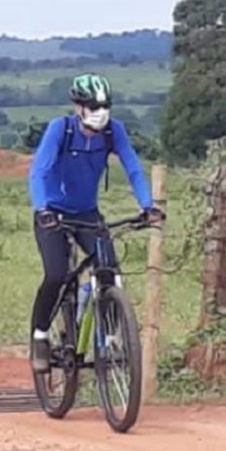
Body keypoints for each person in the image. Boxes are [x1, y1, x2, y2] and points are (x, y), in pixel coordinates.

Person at [27, 73, 164, 373]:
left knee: (109, 272)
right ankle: (39, 336)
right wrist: (41, 209)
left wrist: (147, 206)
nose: (97, 116)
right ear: (78, 108)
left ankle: (113, 337)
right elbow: (39, 172)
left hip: (88, 214)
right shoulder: (59, 130)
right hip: (53, 215)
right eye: (91, 108)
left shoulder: (114, 132)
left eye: (103, 106)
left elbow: (133, 169)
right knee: (56, 275)